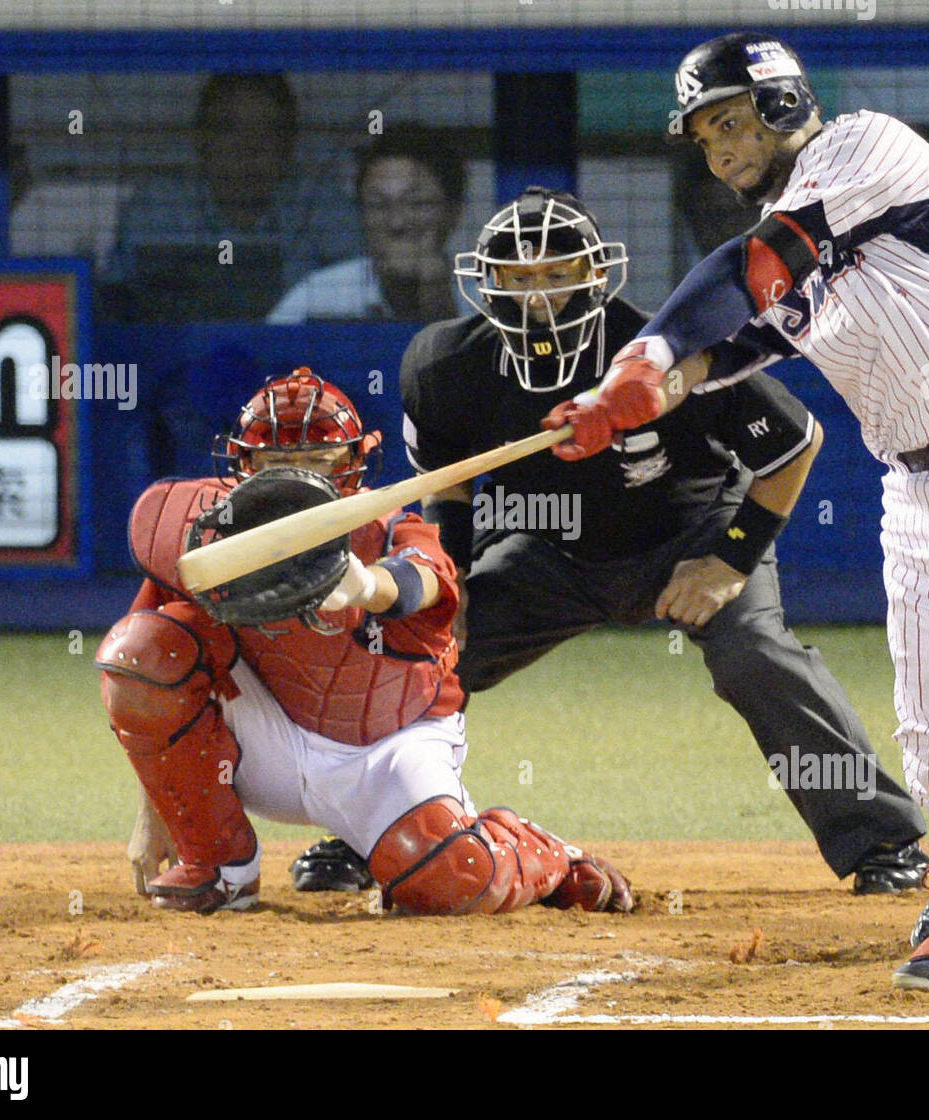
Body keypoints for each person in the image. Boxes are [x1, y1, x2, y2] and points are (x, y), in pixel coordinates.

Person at [545, 34, 929, 992]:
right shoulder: (794, 236)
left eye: (731, 121)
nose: (720, 149)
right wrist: (642, 398)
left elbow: (751, 269)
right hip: (922, 485)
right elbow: (736, 345)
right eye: (702, 137)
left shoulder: (862, 149)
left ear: (782, 105)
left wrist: (642, 357)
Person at [293, 186, 929, 897]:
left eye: (558, 273)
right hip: (552, 554)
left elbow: (795, 445)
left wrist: (729, 562)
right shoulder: (445, 366)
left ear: (596, 275)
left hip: (691, 538)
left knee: (756, 655)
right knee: (423, 649)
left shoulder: (666, 353)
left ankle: (883, 842)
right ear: (486, 279)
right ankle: (368, 833)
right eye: (518, 276)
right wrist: (454, 585)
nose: (539, 295)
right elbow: (449, 489)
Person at [97, 368, 632, 917]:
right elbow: (140, 678)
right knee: (140, 649)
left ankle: (542, 853)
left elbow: (423, 582)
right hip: (262, 742)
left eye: (317, 461)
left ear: (352, 465)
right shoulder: (208, 538)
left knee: (451, 878)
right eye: (277, 461)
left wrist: (366, 584)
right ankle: (219, 867)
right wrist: (156, 809)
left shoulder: (394, 532)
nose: (295, 478)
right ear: (244, 467)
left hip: (386, 748)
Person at [102, 74, 360, 321]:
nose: (247, 147)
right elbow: (114, 306)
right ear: (201, 140)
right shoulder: (158, 209)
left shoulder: (322, 207)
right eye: (229, 129)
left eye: (266, 130)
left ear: (289, 146)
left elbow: (359, 300)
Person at [267, 127, 465, 322]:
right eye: (378, 205)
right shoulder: (317, 296)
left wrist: (439, 300)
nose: (397, 222)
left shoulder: (489, 296)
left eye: (417, 203)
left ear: (453, 212)